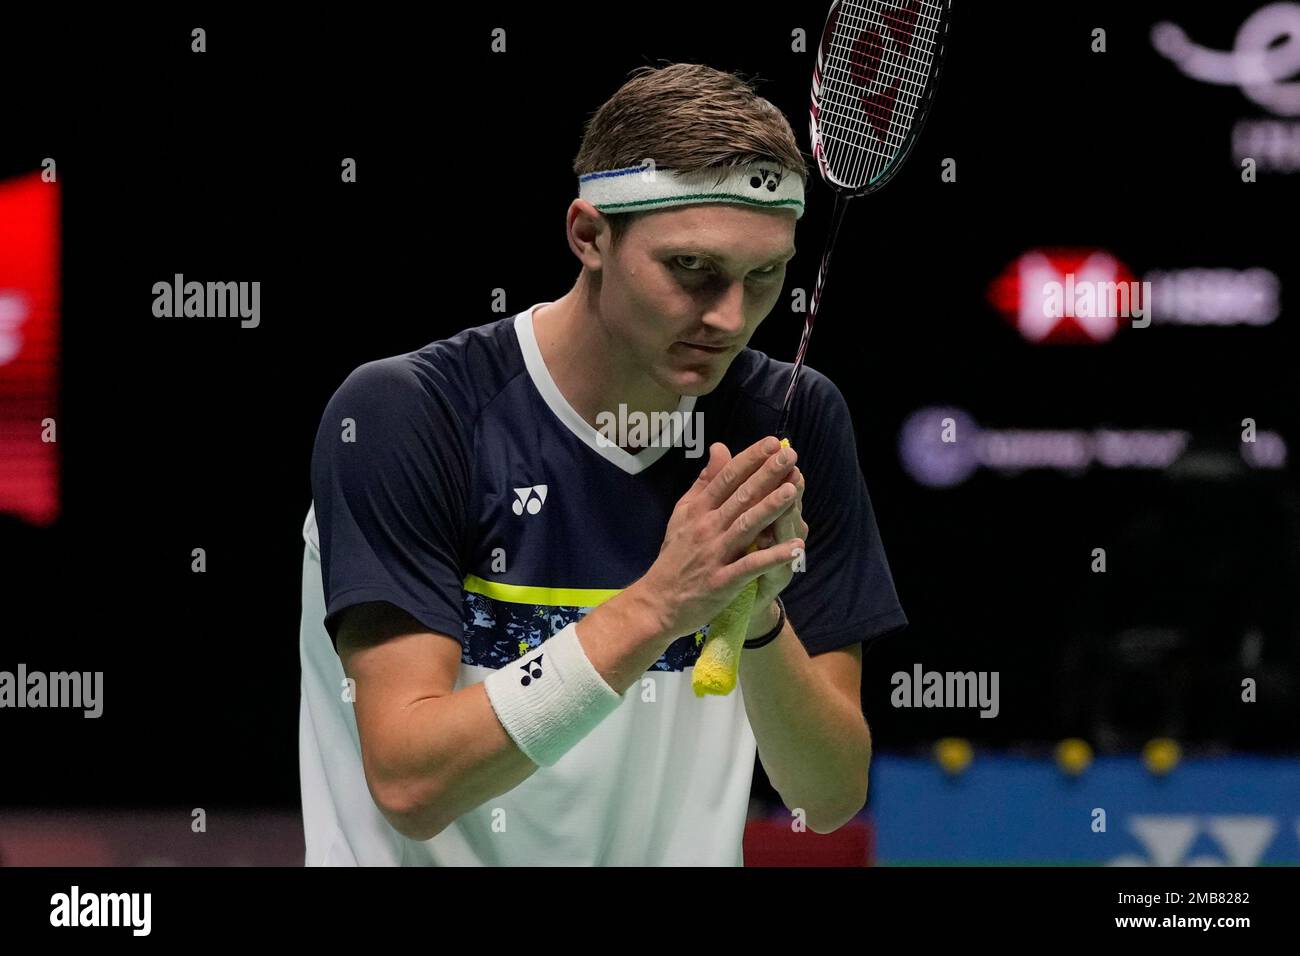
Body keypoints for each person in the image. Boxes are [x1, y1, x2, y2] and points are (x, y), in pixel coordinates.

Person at [298, 62, 906, 865]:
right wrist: (664, 604)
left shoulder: (790, 421)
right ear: (589, 235)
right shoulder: (408, 415)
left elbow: (827, 798)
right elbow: (413, 785)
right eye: (692, 269)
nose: (729, 316)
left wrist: (757, 617)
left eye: (765, 276)